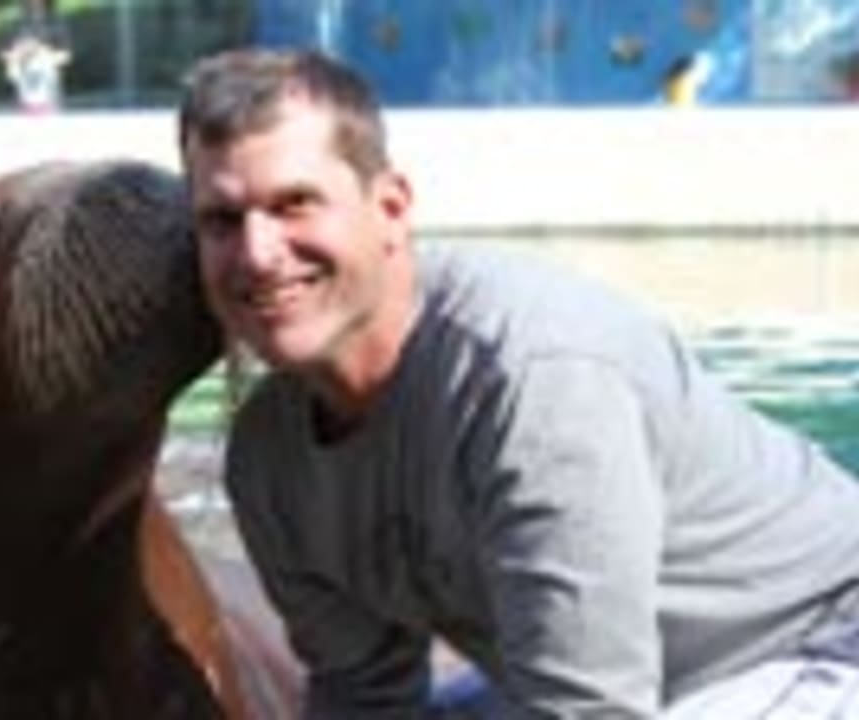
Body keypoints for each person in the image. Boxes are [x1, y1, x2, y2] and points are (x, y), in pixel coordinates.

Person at [178, 47, 859, 718]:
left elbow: (588, 710)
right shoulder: (268, 457)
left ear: (390, 208)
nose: (258, 254)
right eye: (222, 220)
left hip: (817, 642)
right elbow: (362, 694)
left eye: (295, 204)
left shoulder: (533, 384)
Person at [0, 0, 71, 114]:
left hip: (48, 87)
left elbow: (66, 55)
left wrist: (43, 54)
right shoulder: (16, 23)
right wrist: (18, 54)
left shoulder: (55, 23)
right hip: (22, 87)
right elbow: (4, 53)